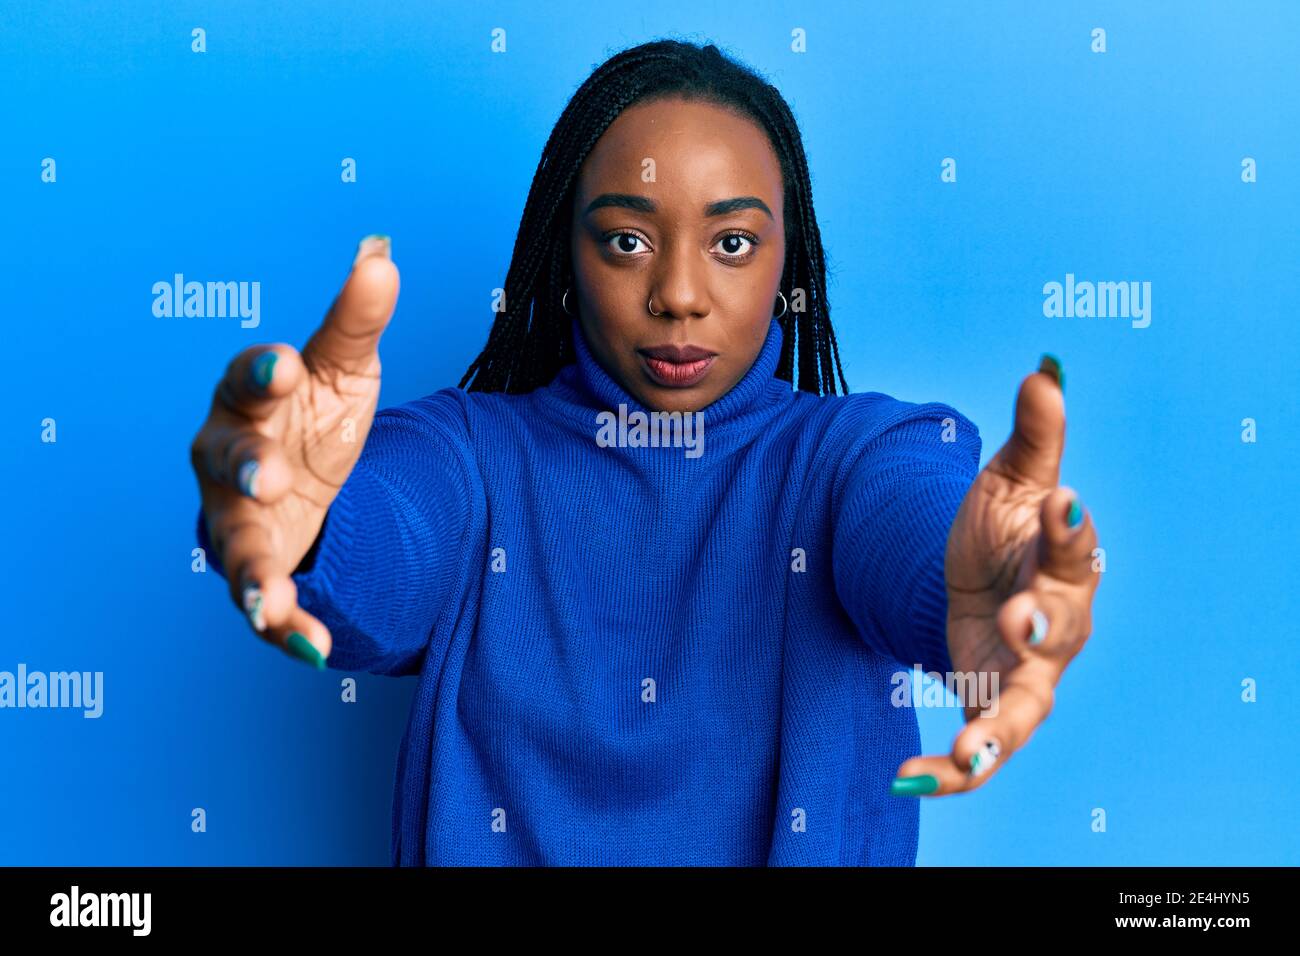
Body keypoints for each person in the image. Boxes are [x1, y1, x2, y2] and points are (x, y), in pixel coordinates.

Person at [190, 39, 1100, 865]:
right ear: (566, 256)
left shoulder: (852, 459)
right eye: (627, 240)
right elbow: (382, 545)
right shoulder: (470, 458)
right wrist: (307, 524)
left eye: (732, 243)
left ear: (791, 263)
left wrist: (991, 582)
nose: (678, 294)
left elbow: (918, 531)